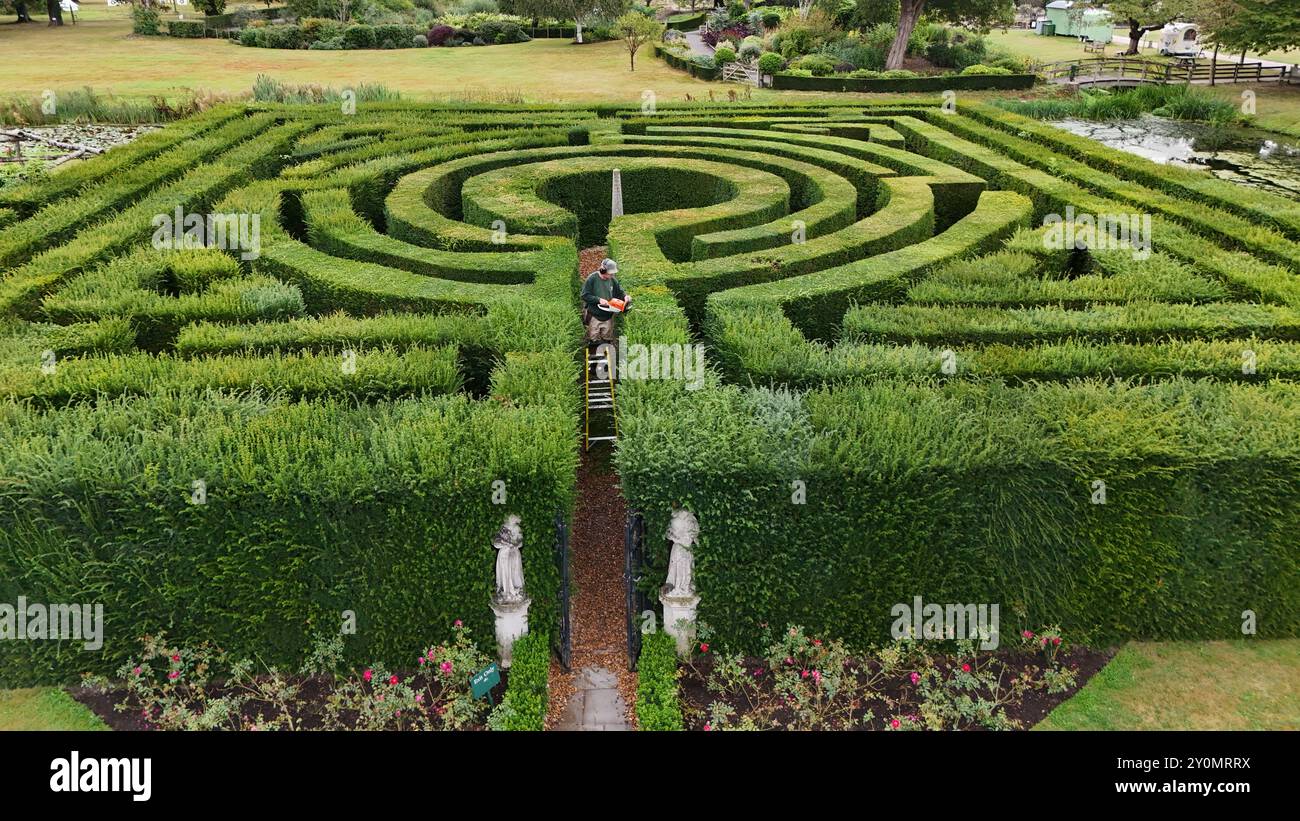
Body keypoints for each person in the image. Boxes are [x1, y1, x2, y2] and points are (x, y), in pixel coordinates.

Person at [580, 257, 630, 343]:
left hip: (608, 315)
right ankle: (594, 350)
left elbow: (619, 292)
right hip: (594, 314)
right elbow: (585, 295)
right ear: (602, 270)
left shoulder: (612, 280)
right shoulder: (592, 279)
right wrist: (598, 300)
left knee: (607, 337)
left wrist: (625, 296)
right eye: (610, 274)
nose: (612, 276)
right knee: (593, 337)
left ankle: (607, 352)